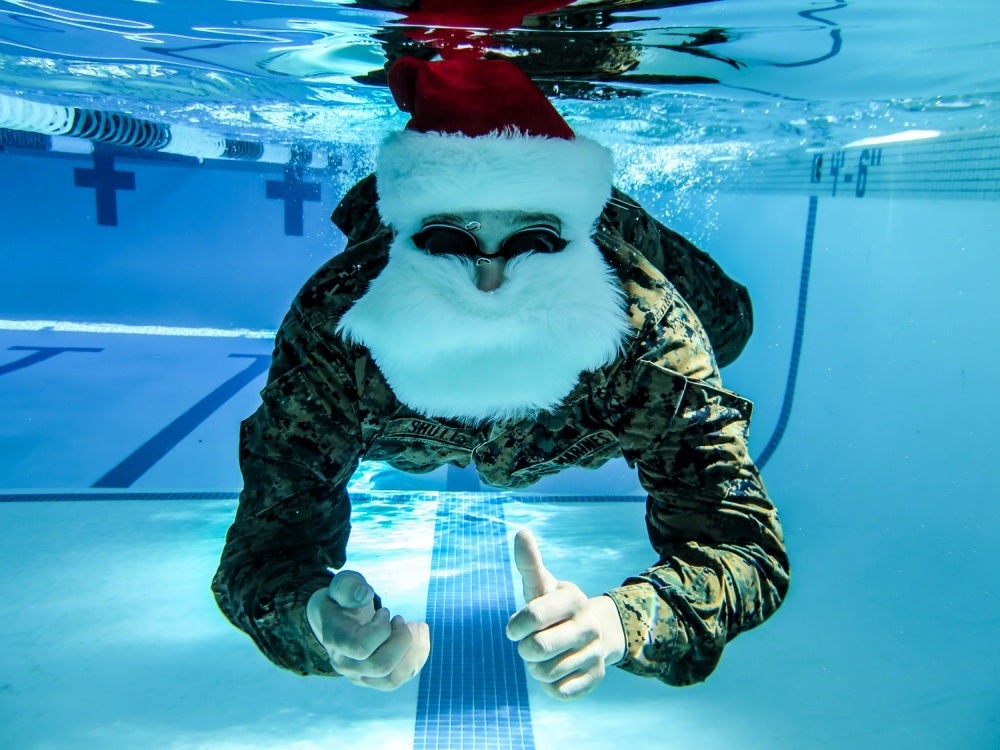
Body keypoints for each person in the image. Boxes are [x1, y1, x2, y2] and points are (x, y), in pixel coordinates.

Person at [212, 55, 789, 699]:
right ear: (410, 239)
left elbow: (745, 549)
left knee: (731, 324)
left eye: (534, 244)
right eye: (447, 243)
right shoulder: (338, 319)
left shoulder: (645, 323)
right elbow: (261, 554)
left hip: (614, 252)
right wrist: (317, 622)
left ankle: (590, 216)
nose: (489, 284)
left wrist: (620, 624)